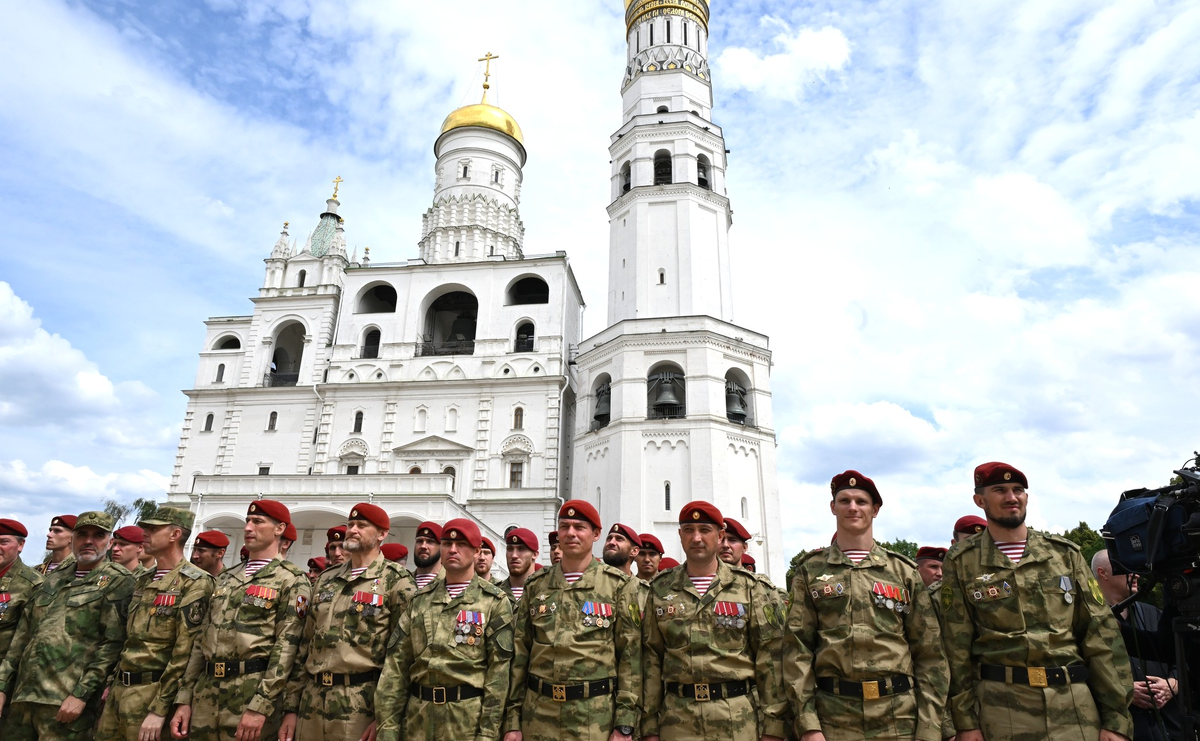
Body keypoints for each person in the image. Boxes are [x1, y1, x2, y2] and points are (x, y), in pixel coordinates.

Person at [940, 462, 1134, 741]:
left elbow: (1100, 634)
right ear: (979, 500)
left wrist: (1117, 718)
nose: (1011, 497)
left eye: (1018, 490)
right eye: (1000, 490)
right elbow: (954, 646)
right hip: (1001, 710)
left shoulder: (1064, 555)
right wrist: (966, 723)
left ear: (1026, 497)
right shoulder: (961, 562)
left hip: (1073, 705)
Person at [784, 470, 947, 741]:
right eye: (844, 500)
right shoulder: (810, 571)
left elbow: (930, 653)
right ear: (833, 507)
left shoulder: (903, 571)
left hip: (898, 716)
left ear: (875, 509)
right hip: (833, 717)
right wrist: (808, 724)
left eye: (861, 501)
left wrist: (929, 727)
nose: (852, 507)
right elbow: (796, 650)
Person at [642, 501, 787, 740]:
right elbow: (650, 659)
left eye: (705, 530)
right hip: (677, 720)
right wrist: (648, 726)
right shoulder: (660, 588)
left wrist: (774, 728)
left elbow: (770, 660)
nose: (696, 537)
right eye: (689, 530)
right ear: (680, 535)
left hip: (737, 719)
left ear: (720, 536)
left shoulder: (751, 588)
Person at [170, 500, 311, 741]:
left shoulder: (291, 580)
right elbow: (201, 640)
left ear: (279, 529)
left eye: (258, 521)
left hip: (249, 694)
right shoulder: (226, 578)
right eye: (247, 521)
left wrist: (261, 705)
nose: (248, 527)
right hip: (206, 692)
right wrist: (185, 698)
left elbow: (287, 649)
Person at [504, 499, 643, 741]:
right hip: (538, 715)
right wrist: (513, 721)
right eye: (564, 526)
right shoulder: (536, 585)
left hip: (594, 717)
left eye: (579, 527)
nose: (570, 533)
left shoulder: (618, 585)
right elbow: (520, 655)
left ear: (596, 534)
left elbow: (630, 658)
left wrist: (625, 723)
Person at [281, 503, 414, 741]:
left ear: (382, 534)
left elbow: (402, 657)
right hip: (312, 700)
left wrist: (384, 716)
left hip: (360, 706)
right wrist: (291, 707)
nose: (352, 530)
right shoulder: (326, 579)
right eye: (350, 525)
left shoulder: (397, 581)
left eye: (362, 526)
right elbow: (306, 644)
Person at [0, 511, 136, 740]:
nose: (89, 541)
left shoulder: (119, 581)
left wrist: (81, 696)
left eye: (98, 535)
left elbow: (111, 646)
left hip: (65, 702)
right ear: (73, 539)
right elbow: (23, 635)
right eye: (82, 534)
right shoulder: (54, 577)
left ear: (110, 542)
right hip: (24, 696)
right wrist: (3, 685)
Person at [375, 518, 514, 741]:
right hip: (417, 720)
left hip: (465, 722)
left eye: (461, 544)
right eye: (447, 544)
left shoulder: (494, 602)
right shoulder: (420, 600)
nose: (453, 549)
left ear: (477, 551)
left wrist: (487, 734)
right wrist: (388, 728)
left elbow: (498, 677)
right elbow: (396, 667)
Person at [96, 506, 214, 741]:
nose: (144, 534)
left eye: (152, 528)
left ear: (174, 535)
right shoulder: (143, 579)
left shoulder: (195, 582)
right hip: (120, 691)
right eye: (145, 528)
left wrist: (160, 708)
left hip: (153, 694)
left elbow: (185, 653)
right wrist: (112, 683)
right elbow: (129, 639)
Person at [1092, 550, 1180, 740]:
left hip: (1172, 729)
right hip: (1126, 732)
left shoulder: (1156, 615)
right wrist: (1124, 690)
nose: (1137, 574)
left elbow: (1182, 657)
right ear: (1103, 573)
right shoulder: (1087, 623)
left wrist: (1173, 684)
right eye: (1127, 568)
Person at [0, 519, 42, 736]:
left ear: (20, 545)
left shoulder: (32, 583)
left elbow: (25, 639)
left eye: (4, 542)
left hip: (8, 683)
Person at [497, 528, 538, 601]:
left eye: (521, 549)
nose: (514, 555)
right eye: (510, 549)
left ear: (534, 554)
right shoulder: (493, 593)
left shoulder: (547, 591)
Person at [413, 522, 443, 590]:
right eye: (419, 541)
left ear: (441, 547)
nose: (423, 546)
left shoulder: (449, 582)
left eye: (430, 542)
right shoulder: (402, 582)